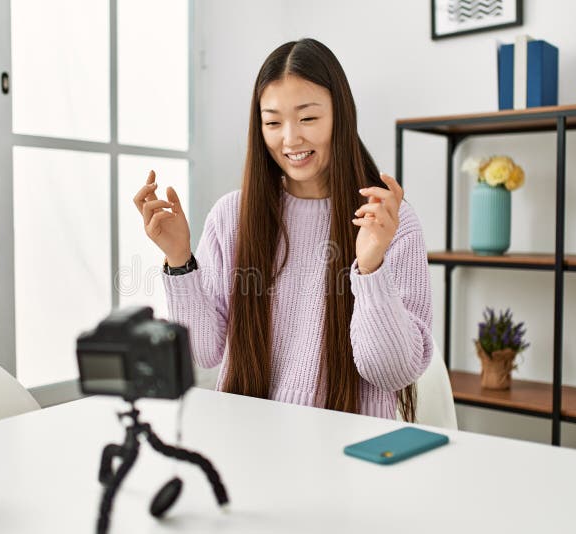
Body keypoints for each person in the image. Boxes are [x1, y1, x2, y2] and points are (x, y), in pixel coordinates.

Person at [133, 38, 432, 421]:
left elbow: (389, 373)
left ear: (341, 115)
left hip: (350, 449)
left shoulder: (390, 223)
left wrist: (371, 266)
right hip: (249, 438)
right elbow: (203, 353)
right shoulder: (232, 215)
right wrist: (179, 260)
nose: (290, 139)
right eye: (273, 122)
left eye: (308, 118)